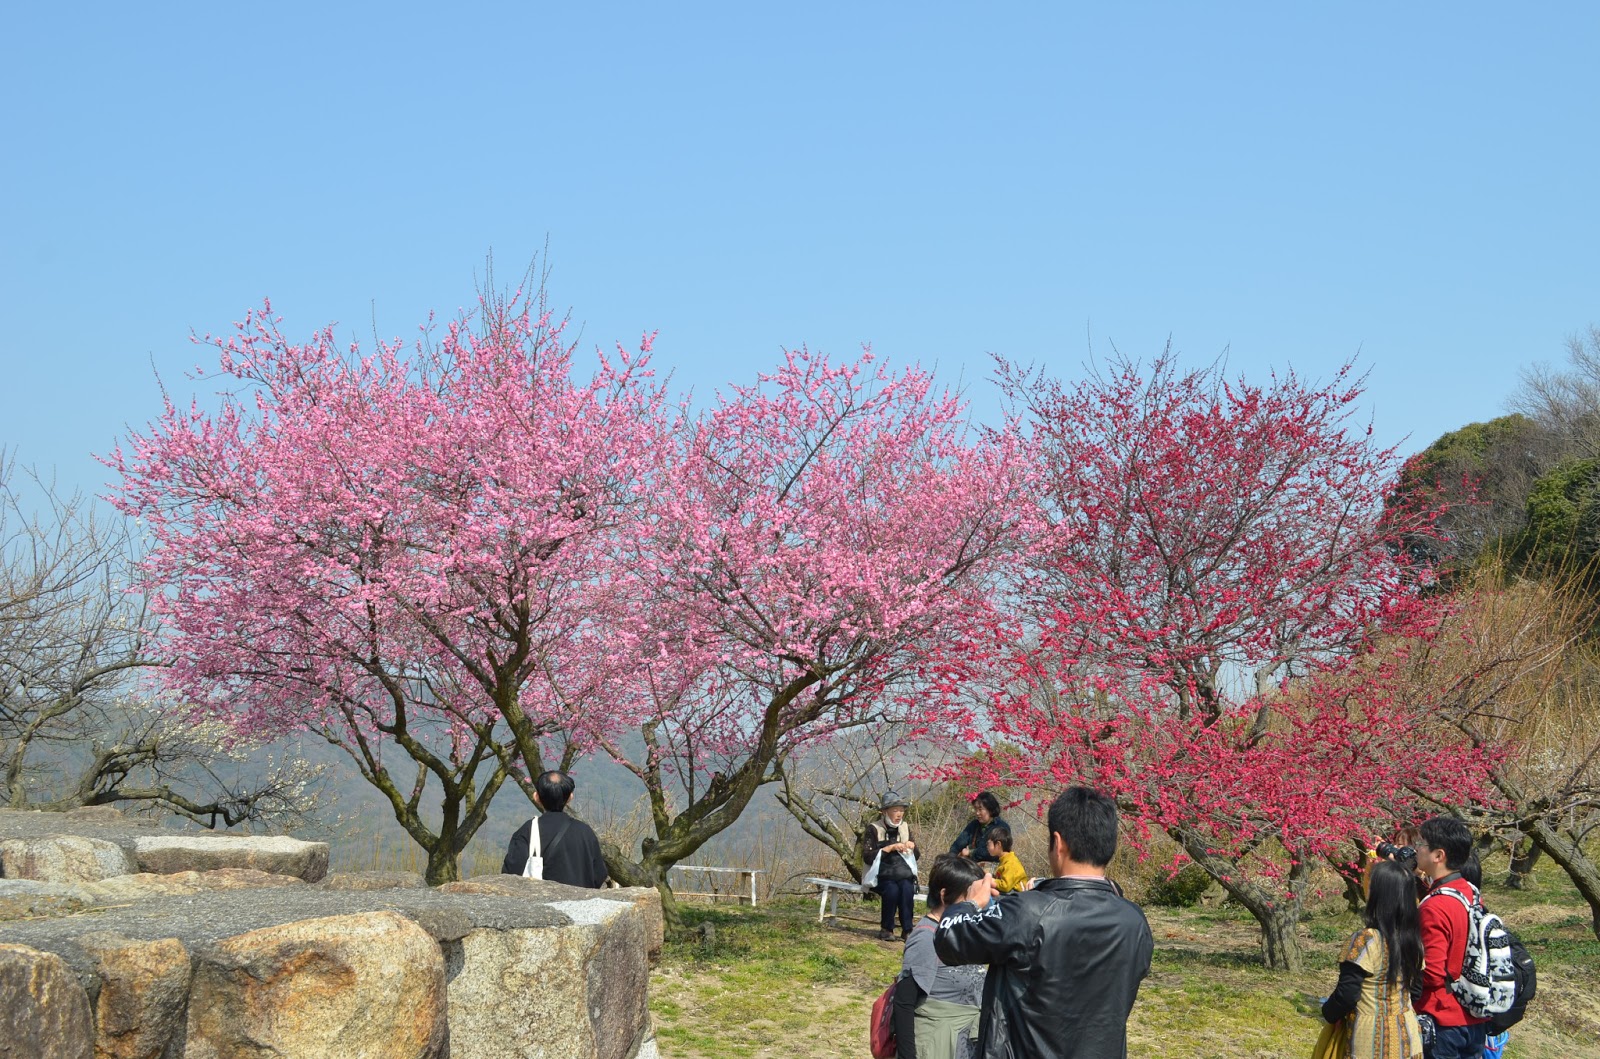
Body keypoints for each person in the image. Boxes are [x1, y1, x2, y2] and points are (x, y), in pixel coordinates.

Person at [935, 786, 1153, 1059]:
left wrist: (971, 901)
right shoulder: (1134, 921)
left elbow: (947, 938)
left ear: (1058, 843)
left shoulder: (1028, 913)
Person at [1321, 858, 1425, 1058]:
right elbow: (1417, 991)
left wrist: (1328, 1012)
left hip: (1369, 1039)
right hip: (1408, 1036)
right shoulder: (1414, 941)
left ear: (1379, 895)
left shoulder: (1366, 940)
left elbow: (1347, 994)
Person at [894, 854, 988, 1059]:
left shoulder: (961, 931)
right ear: (945, 895)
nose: (977, 904)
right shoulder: (927, 937)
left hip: (961, 1044)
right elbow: (903, 1002)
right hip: (935, 1045)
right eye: (970, 898)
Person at [1414, 816, 1490, 1059]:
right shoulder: (1470, 892)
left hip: (1442, 1020)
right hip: (1473, 1016)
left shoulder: (1435, 907)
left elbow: (1433, 973)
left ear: (1438, 855)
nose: (1417, 848)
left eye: (1422, 843)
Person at [500, 770, 608, 888]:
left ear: (536, 797)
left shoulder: (526, 832)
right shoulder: (585, 832)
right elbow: (599, 874)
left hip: (541, 903)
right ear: (570, 798)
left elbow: (511, 873)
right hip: (581, 903)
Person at [865, 790, 921, 942]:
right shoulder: (873, 828)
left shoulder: (905, 827)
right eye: (895, 810)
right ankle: (886, 929)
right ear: (884, 811)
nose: (899, 814)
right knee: (891, 889)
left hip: (902, 874)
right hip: (880, 876)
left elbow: (916, 856)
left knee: (906, 888)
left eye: (901, 811)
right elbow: (867, 857)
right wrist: (887, 849)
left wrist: (911, 847)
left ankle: (907, 930)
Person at [948, 791, 1007, 865]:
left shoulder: (1002, 827)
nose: (977, 813)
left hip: (993, 870)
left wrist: (971, 852)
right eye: (976, 809)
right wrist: (950, 859)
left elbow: (993, 852)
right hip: (972, 868)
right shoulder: (973, 825)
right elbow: (958, 844)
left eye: (980, 809)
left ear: (990, 809)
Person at [984, 826, 1030, 894]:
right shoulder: (1004, 860)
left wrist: (992, 881)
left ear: (998, 844)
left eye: (988, 844)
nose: (987, 847)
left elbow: (1005, 886)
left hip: (1017, 895)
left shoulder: (1011, 863)